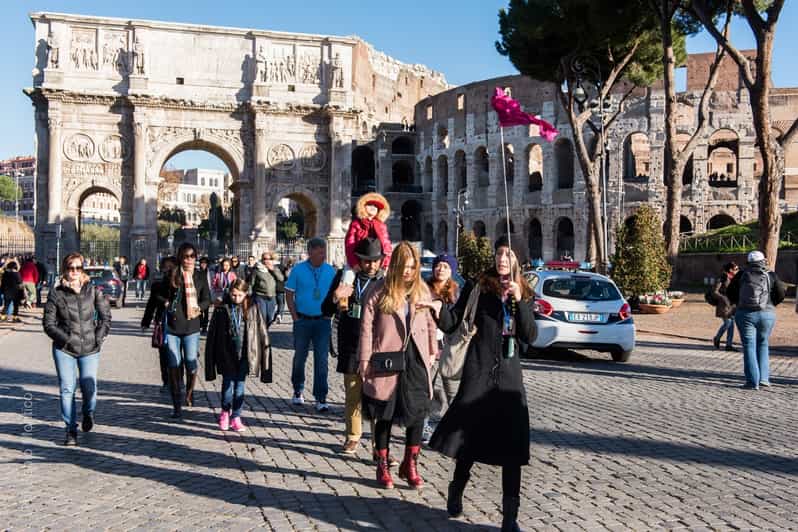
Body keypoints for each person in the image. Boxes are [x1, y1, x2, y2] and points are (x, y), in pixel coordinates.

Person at [428, 236, 536, 532]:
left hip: (509, 381)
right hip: (478, 374)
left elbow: (530, 335)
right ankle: (456, 488)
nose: (502, 258)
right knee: (469, 443)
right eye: (499, 253)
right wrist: (436, 310)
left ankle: (509, 518)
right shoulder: (479, 286)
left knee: (512, 450)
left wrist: (519, 301)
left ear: (517, 261)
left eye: (508, 254)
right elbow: (452, 323)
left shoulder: (523, 292)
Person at [358, 241, 438, 489]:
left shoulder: (422, 290)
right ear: (394, 266)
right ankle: (382, 465)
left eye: (412, 267)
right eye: (403, 266)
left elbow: (431, 323)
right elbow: (366, 328)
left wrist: (433, 350)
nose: (408, 271)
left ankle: (410, 463)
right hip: (386, 358)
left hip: (416, 359)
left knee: (417, 413)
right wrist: (364, 359)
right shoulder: (378, 291)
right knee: (384, 414)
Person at [321, 237, 385, 455]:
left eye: (375, 261)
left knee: (377, 397)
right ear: (358, 260)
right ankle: (353, 436)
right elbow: (326, 310)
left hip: (377, 346)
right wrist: (335, 296)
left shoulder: (385, 281)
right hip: (351, 344)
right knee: (353, 394)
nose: (371, 265)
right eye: (367, 261)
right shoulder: (345, 278)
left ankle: (380, 445)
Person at [43, 252, 112, 446]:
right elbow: (48, 324)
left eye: (78, 268)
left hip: (90, 348)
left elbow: (106, 318)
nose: (74, 272)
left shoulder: (93, 291)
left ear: (83, 269)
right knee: (67, 389)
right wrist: (66, 340)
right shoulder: (56, 293)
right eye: (70, 268)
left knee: (89, 387)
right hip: (64, 348)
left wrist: (98, 339)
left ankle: (88, 412)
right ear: (64, 270)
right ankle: (70, 430)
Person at [205, 278, 272, 432]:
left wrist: (264, 356)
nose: (236, 298)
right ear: (229, 293)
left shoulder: (252, 308)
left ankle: (236, 416)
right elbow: (213, 334)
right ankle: (225, 413)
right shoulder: (222, 309)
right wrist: (213, 356)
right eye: (234, 295)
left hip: (244, 354)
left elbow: (262, 333)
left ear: (245, 294)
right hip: (226, 353)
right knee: (228, 386)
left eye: (240, 295)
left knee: (240, 387)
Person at [154, 243, 211, 418]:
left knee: (191, 362)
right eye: (185, 256)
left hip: (192, 326)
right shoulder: (172, 274)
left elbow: (207, 299)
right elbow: (157, 292)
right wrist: (165, 302)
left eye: (192, 256)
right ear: (180, 257)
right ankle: (177, 404)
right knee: (173, 364)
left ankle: (190, 391)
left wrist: (199, 309)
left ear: (196, 257)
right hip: (172, 326)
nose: (189, 259)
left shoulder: (201, 276)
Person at [285, 237, 336, 411]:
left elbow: (336, 295)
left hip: (322, 321)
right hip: (302, 320)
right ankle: (298, 390)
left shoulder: (330, 271)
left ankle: (321, 397)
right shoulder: (298, 270)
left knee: (322, 360)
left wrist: (331, 314)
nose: (323, 255)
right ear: (310, 252)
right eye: (320, 252)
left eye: (324, 252)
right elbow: (289, 293)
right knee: (300, 358)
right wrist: (294, 317)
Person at [727, 250, 786, 390]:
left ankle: (752, 382)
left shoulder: (741, 275)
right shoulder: (770, 274)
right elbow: (781, 293)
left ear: (748, 262)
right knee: (763, 344)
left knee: (749, 346)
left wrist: (740, 303)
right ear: (763, 261)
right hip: (767, 314)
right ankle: (764, 379)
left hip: (745, 315)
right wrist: (771, 305)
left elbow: (730, 292)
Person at [422, 253, 461, 443]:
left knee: (452, 390)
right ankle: (423, 426)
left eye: (445, 266)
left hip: (451, 347)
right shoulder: (424, 288)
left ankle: (454, 429)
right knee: (425, 388)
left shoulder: (457, 292)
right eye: (438, 265)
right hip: (428, 346)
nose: (441, 269)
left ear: (451, 270)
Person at [142, 256, 178, 391]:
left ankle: (177, 380)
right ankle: (167, 380)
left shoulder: (181, 284)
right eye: (166, 268)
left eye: (170, 268)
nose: (168, 270)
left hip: (178, 323)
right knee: (163, 353)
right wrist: (146, 322)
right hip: (162, 322)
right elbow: (151, 304)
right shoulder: (158, 285)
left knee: (176, 354)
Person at [345, 192, 392, 271]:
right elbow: (350, 244)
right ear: (363, 207)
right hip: (358, 260)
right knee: (347, 278)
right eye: (370, 205)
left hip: (377, 261)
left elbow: (386, 245)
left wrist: (386, 263)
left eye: (376, 206)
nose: (373, 207)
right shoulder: (356, 224)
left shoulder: (382, 226)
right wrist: (354, 263)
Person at [250, 251, 284, 326]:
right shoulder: (257, 269)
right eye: (265, 259)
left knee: (269, 318)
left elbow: (281, 279)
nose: (267, 260)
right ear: (262, 259)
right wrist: (249, 295)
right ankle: (263, 333)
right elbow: (251, 283)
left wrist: (273, 270)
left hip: (272, 296)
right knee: (263, 316)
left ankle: (265, 329)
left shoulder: (274, 268)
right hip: (260, 296)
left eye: (269, 259)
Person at [711, 262, 739, 351]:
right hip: (724, 305)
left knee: (731, 325)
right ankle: (717, 338)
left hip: (733, 305)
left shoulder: (735, 278)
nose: (737, 270)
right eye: (736, 269)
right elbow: (715, 291)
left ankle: (729, 345)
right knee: (728, 323)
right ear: (730, 270)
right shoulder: (722, 277)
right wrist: (724, 298)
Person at [198, 257, 212, 334]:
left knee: (206, 312)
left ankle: (204, 327)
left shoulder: (210, 273)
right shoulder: (198, 272)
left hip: (207, 294)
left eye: (205, 263)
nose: (203, 265)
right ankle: (201, 324)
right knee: (199, 311)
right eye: (202, 263)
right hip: (199, 295)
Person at [273, 256, 287, 324]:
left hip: (273, 287)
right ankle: (279, 315)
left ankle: (274, 315)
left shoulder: (273, 267)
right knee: (281, 303)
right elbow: (286, 277)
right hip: (281, 288)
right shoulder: (284, 268)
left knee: (274, 303)